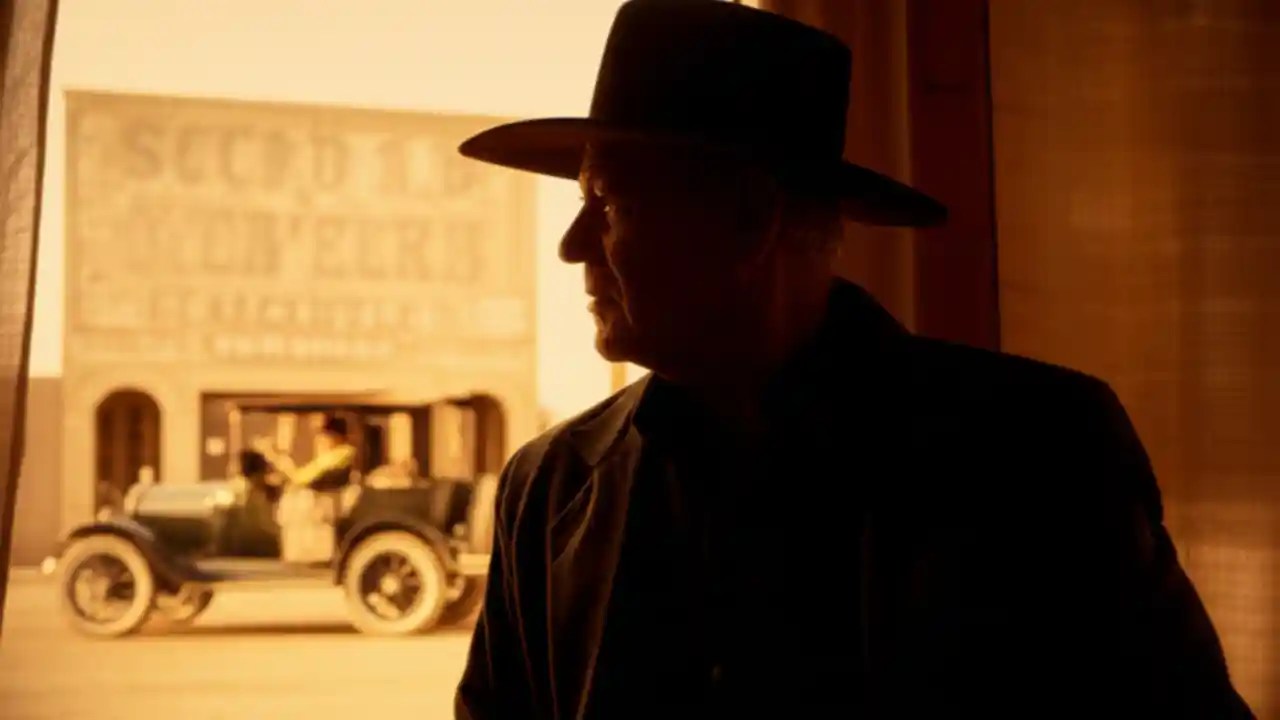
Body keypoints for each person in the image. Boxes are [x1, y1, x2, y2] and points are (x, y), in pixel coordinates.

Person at [453, 1, 1253, 717]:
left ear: (750, 220)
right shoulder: (549, 487)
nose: (571, 246)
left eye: (610, 203)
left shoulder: (1035, 450)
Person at [252, 414, 356, 489]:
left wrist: (273, 455)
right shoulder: (339, 454)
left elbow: (300, 477)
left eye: (321, 435)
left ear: (334, 436)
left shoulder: (339, 455)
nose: (318, 441)